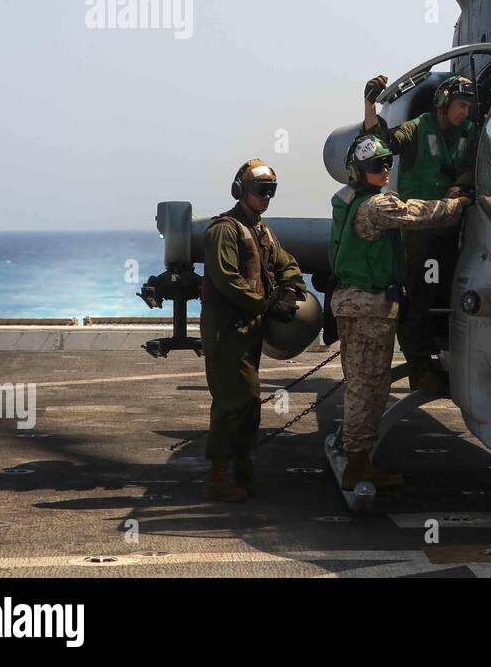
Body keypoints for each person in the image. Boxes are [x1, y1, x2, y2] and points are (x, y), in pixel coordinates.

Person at [330, 134, 470, 489]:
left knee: (368, 385)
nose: (386, 169)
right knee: (367, 387)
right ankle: (357, 465)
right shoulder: (375, 206)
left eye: (387, 162)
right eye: (377, 165)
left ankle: (357, 456)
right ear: (360, 171)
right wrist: (455, 206)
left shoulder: (353, 200)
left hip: (360, 305)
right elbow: (415, 214)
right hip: (368, 308)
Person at [359, 73, 476, 394]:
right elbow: (380, 141)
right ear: (443, 102)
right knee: (418, 298)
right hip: (419, 231)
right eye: (461, 105)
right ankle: (420, 367)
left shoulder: (470, 132)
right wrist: (370, 104)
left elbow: (479, 163)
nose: (465, 112)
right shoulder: (417, 128)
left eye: (469, 107)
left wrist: (463, 183)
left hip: (455, 229)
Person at [199, 158, 306, 502]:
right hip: (227, 332)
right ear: (241, 191)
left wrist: (289, 288)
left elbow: (285, 263)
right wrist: (266, 304)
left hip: (249, 332)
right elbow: (227, 280)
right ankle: (218, 475)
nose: (266, 197)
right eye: (261, 191)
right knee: (236, 401)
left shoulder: (263, 231)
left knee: (246, 403)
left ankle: (241, 470)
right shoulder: (224, 230)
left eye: (271, 192)